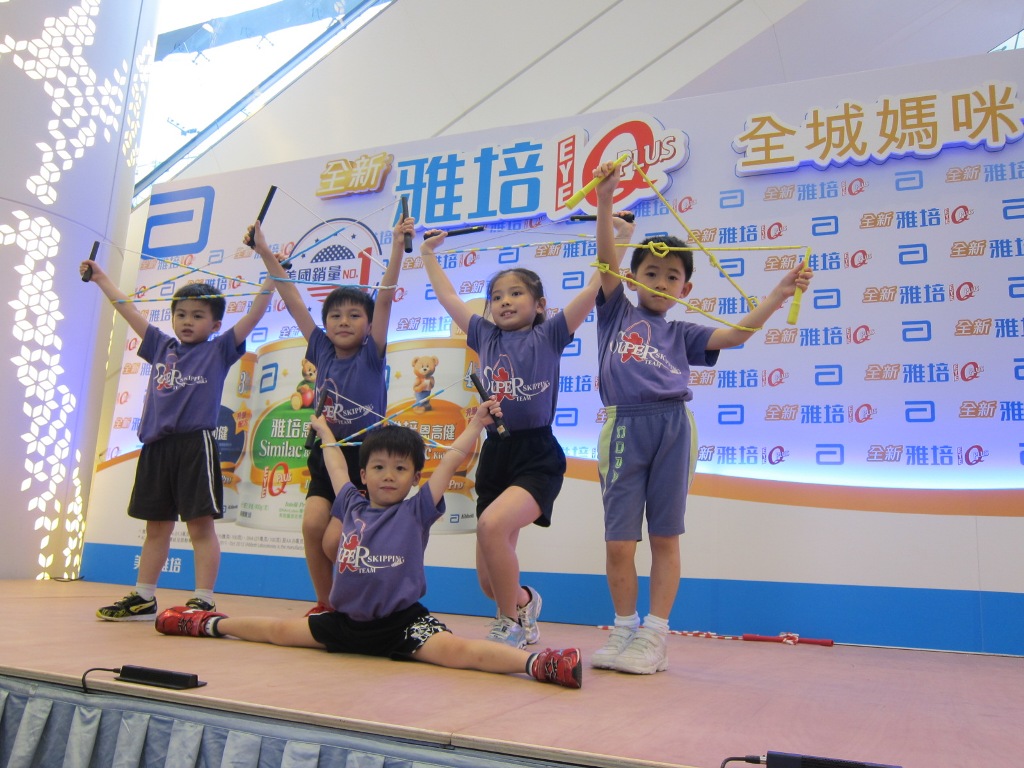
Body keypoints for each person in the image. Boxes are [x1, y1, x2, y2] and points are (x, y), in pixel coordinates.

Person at [155, 400, 583, 690]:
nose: (388, 475)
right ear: (365, 475)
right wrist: (324, 430)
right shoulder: (350, 503)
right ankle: (205, 623)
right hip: (346, 623)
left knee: (461, 652)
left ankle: (538, 664)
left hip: (402, 625)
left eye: (400, 469)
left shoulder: (417, 511)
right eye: (378, 467)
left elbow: (451, 459)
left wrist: (474, 426)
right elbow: (336, 463)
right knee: (275, 630)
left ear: (415, 478)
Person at [590, 159, 814, 673]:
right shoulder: (615, 312)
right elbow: (605, 261)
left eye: (673, 276)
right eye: (651, 273)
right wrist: (604, 202)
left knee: (666, 536)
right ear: (632, 276)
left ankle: (655, 635)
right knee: (619, 540)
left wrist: (778, 295)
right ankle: (623, 628)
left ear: (685, 290)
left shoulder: (683, 333)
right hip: (624, 426)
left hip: (673, 427)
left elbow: (733, 336)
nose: (662, 281)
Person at [419, 228, 600, 649]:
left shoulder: (551, 334)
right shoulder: (485, 335)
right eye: (497, 296)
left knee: (492, 524)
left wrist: (619, 236)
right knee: (490, 582)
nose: (504, 301)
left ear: (540, 306)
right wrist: (427, 254)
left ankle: (509, 624)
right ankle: (522, 604)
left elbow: (594, 289)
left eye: (516, 294)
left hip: (537, 454)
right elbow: (448, 299)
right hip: (496, 453)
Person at [82, 259, 277, 621]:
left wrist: (272, 274)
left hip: (194, 446)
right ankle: (143, 597)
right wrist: (101, 278)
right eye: (182, 314)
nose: (188, 321)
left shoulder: (219, 350)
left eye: (198, 315)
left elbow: (255, 314)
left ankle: (203, 599)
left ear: (215, 324)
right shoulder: (160, 345)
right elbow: (127, 310)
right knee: (156, 526)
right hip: (156, 448)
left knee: (200, 526)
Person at [246, 215, 408, 616]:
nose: (343, 322)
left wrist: (396, 247)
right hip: (324, 453)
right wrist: (265, 250)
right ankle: (326, 603)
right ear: (324, 324)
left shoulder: (373, 353)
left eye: (355, 316)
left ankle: (366, 603)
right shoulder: (318, 347)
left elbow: (385, 295)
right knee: (312, 528)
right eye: (335, 315)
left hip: (364, 459)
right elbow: (291, 296)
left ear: (370, 326)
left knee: (341, 540)